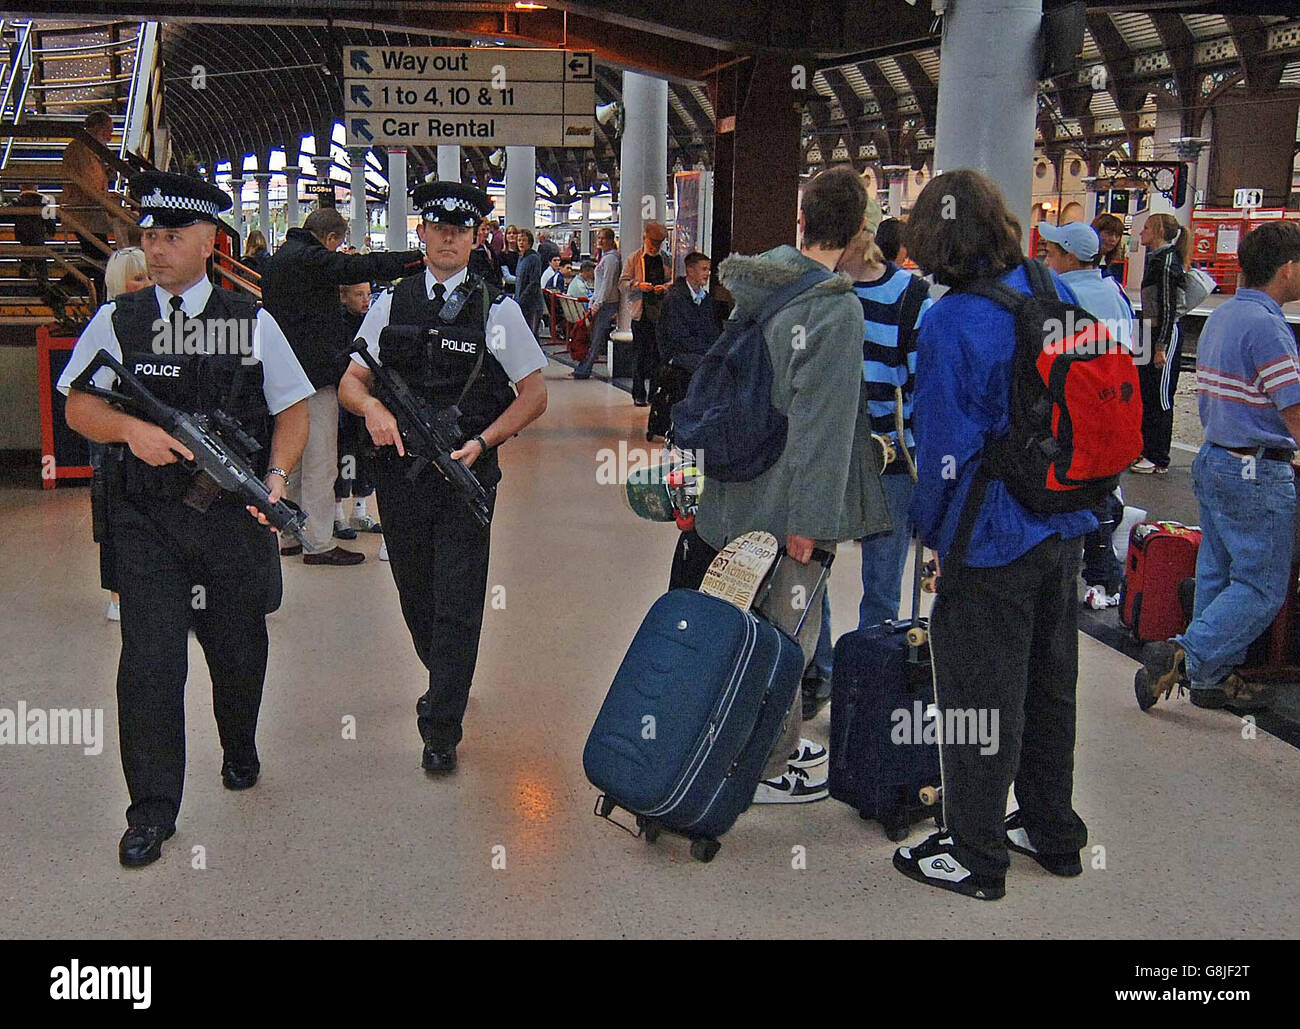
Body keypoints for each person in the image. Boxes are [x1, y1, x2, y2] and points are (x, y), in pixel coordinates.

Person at [57, 171, 314, 868]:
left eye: (172, 235)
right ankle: (151, 810)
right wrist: (128, 432)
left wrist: (275, 479)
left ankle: (239, 741)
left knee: (238, 653)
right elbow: (78, 404)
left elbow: (294, 408)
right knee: (149, 661)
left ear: (211, 243)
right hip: (147, 520)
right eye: (149, 234)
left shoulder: (250, 320)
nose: (157, 247)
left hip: (229, 520)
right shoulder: (120, 320)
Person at [895, 168, 1092, 901]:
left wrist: (933, 530)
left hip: (992, 531)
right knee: (1050, 682)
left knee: (982, 691)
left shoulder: (951, 320)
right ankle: (1051, 830)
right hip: (1064, 519)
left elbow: (944, 441)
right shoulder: (1053, 288)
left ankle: (975, 851)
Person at [671, 166, 891, 805]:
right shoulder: (834, 307)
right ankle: (766, 765)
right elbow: (823, 431)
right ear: (856, 232)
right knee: (787, 628)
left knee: (739, 618)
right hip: (786, 500)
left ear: (802, 220)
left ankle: (743, 742)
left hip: (732, 485)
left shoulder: (759, 282)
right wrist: (811, 523)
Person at [338, 181, 548, 775]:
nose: (449, 237)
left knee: (458, 596)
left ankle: (441, 724)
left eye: (461, 229)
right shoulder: (390, 303)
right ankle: (445, 671)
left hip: (466, 475)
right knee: (416, 591)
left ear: (477, 237)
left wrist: (483, 442)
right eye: (438, 227)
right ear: (422, 234)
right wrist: (372, 410)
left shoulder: (496, 309)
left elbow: (534, 395)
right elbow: (354, 380)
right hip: (400, 477)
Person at [1135, 221, 1300, 714]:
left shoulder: (1227, 315)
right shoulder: (1269, 327)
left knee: (1217, 574)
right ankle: (1187, 653)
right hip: (1256, 472)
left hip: (1216, 460)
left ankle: (1207, 680)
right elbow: (1294, 411)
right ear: (1288, 269)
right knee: (1261, 587)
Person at [259, 207, 423, 566]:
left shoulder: (277, 260)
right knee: (320, 459)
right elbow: (357, 268)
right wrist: (413, 260)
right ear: (331, 239)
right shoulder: (312, 259)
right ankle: (317, 541)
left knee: (293, 458)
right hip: (315, 376)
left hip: (284, 376)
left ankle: (290, 533)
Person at [1038, 220, 1136, 609]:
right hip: (1115, 409)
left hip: (1077, 417)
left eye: (1052, 251)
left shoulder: (1066, 296)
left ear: (1070, 256)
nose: (1046, 257)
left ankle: (1098, 574)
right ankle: (1105, 575)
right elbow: (1134, 354)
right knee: (1104, 491)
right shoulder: (1115, 293)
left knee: (1079, 498)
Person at [91, 247, 153, 623]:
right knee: (111, 516)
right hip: (112, 441)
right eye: (137, 278)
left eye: (149, 276)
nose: (146, 284)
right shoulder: (108, 320)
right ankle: (117, 594)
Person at [1131, 212, 1189, 474]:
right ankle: (1147, 450)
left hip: (1161, 333)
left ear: (1157, 232)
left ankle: (1158, 456)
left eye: (1146, 228)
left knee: (1160, 396)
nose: (1141, 232)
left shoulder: (1165, 262)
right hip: (1149, 330)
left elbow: (1168, 307)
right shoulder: (1158, 259)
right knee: (1147, 392)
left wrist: (1161, 346)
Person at [333, 280, 381, 541]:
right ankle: (337, 512)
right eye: (359, 294)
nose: (365, 299)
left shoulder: (372, 323)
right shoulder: (339, 326)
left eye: (368, 294)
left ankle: (360, 509)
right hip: (345, 403)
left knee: (366, 454)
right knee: (345, 455)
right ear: (344, 297)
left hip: (368, 401)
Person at [58, 111, 122, 296]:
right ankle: (64, 289)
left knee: (97, 258)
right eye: (108, 130)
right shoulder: (83, 150)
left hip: (88, 213)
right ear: (97, 129)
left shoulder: (86, 149)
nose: (110, 135)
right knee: (101, 259)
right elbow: (89, 184)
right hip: (85, 213)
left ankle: (69, 290)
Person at [619, 221, 671, 406]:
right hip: (640, 314)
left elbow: (672, 281)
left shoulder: (666, 259)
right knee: (640, 355)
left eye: (658, 244)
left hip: (660, 314)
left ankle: (655, 393)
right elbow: (623, 283)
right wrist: (638, 285)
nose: (655, 248)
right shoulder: (634, 259)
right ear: (645, 239)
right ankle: (638, 393)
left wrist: (664, 288)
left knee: (658, 356)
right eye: (652, 243)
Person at [571, 227, 620, 379]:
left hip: (606, 303)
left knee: (597, 336)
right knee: (594, 336)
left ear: (611, 240)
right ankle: (585, 365)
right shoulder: (605, 257)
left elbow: (606, 284)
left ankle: (586, 368)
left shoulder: (611, 259)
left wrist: (597, 304)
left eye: (603, 238)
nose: (600, 241)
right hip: (600, 302)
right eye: (599, 238)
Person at [515, 228, 544, 338]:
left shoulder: (533, 258)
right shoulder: (521, 258)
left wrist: (522, 298)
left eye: (524, 240)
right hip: (522, 302)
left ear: (529, 242)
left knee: (531, 334)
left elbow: (534, 282)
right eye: (519, 240)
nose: (521, 243)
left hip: (532, 303)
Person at [1092, 212, 1126, 284]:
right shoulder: (1082, 264)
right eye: (1109, 233)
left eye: (1117, 235)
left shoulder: (1106, 265)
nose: (1113, 239)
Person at [468, 218, 503, 289]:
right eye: (483, 229)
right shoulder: (471, 250)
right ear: (476, 231)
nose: (486, 232)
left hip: (494, 287)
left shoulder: (489, 247)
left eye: (488, 229)